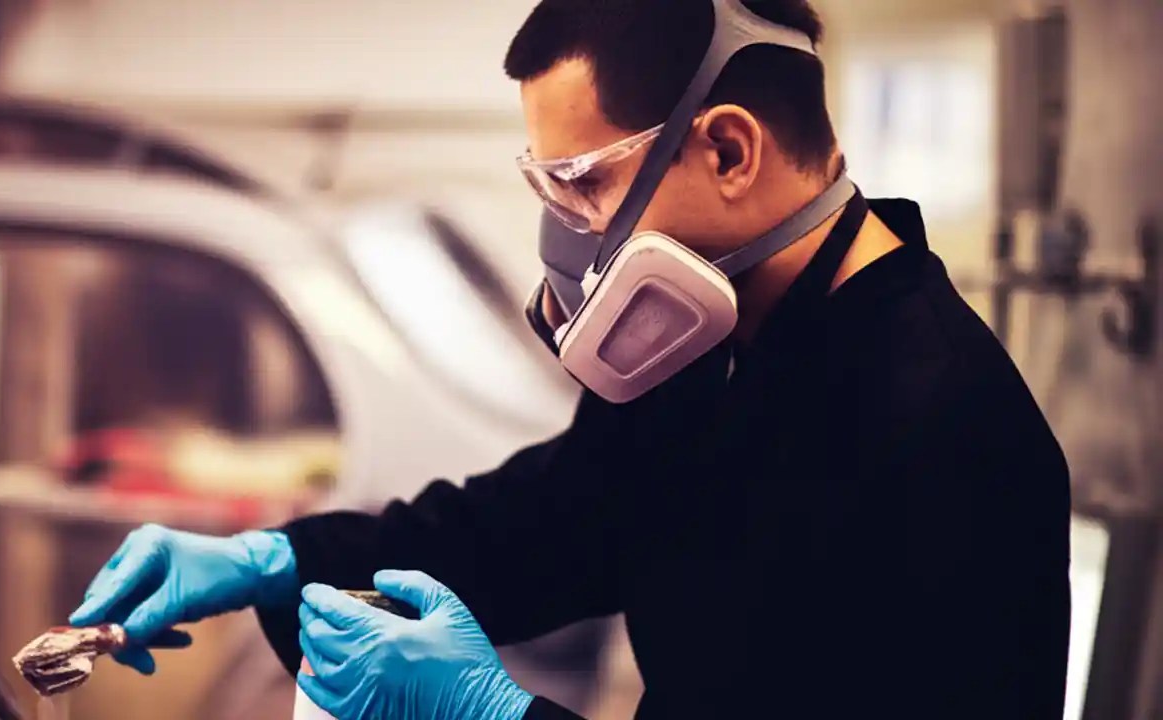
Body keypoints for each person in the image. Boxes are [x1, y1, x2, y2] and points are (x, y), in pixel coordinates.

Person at [69, 0, 1072, 718]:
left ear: (726, 152)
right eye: (544, 190)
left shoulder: (944, 432)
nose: (564, 237)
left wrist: (490, 714)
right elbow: (555, 519)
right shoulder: (712, 347)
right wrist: (281, 563)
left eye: (581, 187)